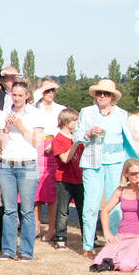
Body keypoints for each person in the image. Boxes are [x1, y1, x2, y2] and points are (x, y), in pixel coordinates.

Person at [75, 78, 133, 259]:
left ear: (112, 97)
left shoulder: (122, 114)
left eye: (106, 94)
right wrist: (88, 133)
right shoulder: (86, 112)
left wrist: (130, 165)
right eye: (99, 93)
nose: (102, 96)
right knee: (91, 205)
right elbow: (76, 135)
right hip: (93, 162)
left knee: (115, 206)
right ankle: (88, 245)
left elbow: (128, 141)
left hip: (116, 164)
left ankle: (114, 244)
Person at [0, 81, 44, 260]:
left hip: (27, 165)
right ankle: (8, 250)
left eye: (20, 95)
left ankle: (26, 251)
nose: (16, 98)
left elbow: (37, 142)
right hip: (7, 164)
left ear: (27, 96)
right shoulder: (5, 114)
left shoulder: (35, 114)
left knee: (27, 210)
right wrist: (7, 128)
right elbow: (1, 145)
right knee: (9, 210)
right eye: (14, 95)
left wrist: (22, 126)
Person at [90, 159, 139, 272]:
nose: (138, 176)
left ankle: (115, 263)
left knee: (127, 265)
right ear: (126, 174)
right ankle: (112, 263)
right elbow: (105, 210)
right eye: (133, 174)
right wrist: (107, 232)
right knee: (99, 260)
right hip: (123, 235)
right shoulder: (121, 190)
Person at [32, 79, 66, 241]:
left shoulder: (61, 109)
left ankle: (52, 228)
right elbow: (31, 98)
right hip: (36, 146)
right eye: (47, 90)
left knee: (52, 191)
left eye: (52, 90)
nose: (50, 93)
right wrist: (40, 90)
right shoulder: (34, 107)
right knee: (35, 190)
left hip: (54, 147)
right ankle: (36, 225)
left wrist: (54, 144)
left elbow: (65, 129)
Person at [48, 108, 86, 250]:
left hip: (80, 179)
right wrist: (75, 144)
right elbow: (64, 159)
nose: (77, 123)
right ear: (66, 121)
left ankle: (89, 237)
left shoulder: (76, 138)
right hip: (64, 179)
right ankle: (60, 237)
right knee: (63, 210)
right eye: (75, 120)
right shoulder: (59, 139)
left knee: (84, 210)